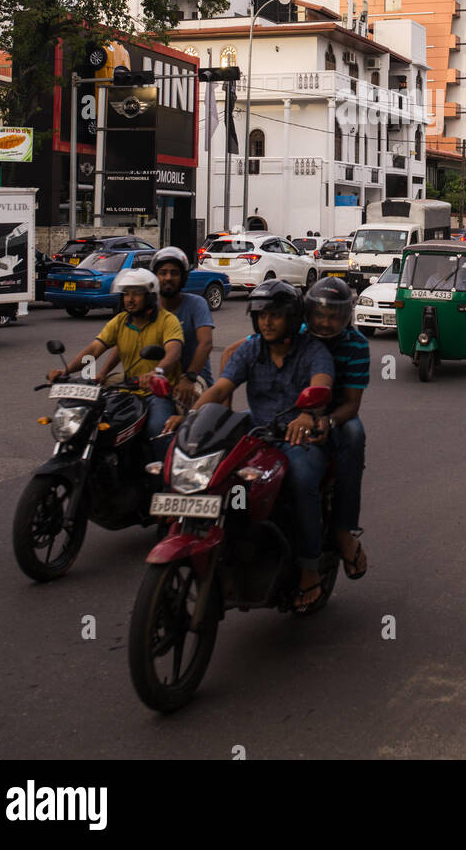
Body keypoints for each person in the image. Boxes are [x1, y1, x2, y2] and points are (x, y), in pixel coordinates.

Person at [165, 280, 334, 615]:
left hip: (298, 438)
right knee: (219, 478)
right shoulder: (251, 349)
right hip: (259, 433)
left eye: (274, 316)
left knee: (301, 481)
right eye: (260, 316)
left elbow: (321, 385)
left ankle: (309, 568)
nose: (266, 322)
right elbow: (222, 387)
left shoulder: (313, 351)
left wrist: (307, 414)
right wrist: (191, 416)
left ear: (291, 317)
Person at [47, 267, 183, 461]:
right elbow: (94, 350)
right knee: (95, 424)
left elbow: (174, 351)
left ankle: (165, 481)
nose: (130, 299)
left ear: (150, 296)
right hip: (126, 391)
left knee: (158, 431)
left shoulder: (168, 321)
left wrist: (157, 372)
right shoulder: (120, 321)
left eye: (136, 293)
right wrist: (65, 371)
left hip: (156, 393)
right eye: (126, 293)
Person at [301, 278, 369, 581]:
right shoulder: (299, 337)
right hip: (296, 414)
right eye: (320, 314)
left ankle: (344, 529)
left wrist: (327, 421)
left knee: (354, 435)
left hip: (337, 414)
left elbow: (352, 404)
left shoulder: (357, 345)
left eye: (333, 316)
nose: (325, 323)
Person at [149, 246, 214, 409]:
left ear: (183, 277)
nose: (168, 277)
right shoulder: (149, 307)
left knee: (188, 423)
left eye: (174, 273)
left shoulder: (196, 304)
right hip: (158, 377)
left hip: (194, 378)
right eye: (163, 273)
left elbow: (205, 344)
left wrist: (190, 377)